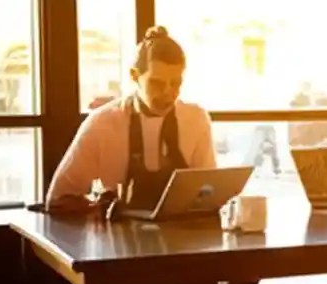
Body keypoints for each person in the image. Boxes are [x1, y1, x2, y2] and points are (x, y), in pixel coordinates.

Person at [48, 26, 215, 214]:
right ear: (134, 76)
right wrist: (96, 206)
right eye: (157, 83)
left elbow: (209, 192)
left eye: (176, 83)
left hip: (183, 239)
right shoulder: (102, 124)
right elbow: (58, 199)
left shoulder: (196, 120)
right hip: (117, 240)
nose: (168, 93)